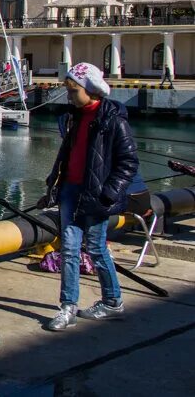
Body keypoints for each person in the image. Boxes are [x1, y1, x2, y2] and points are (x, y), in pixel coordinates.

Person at [42, 62, 138, 332]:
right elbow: (67, 155)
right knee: (70, 250)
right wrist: (54, 186)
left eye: (73, 91)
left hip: (95, 194)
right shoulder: (73, 118)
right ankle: (68, 306)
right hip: (70, 190)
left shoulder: (113, 120)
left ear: (90, 90)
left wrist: (109, 192)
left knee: (96, 249)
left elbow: (128, 162)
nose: (69, 96)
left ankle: (112, 300)